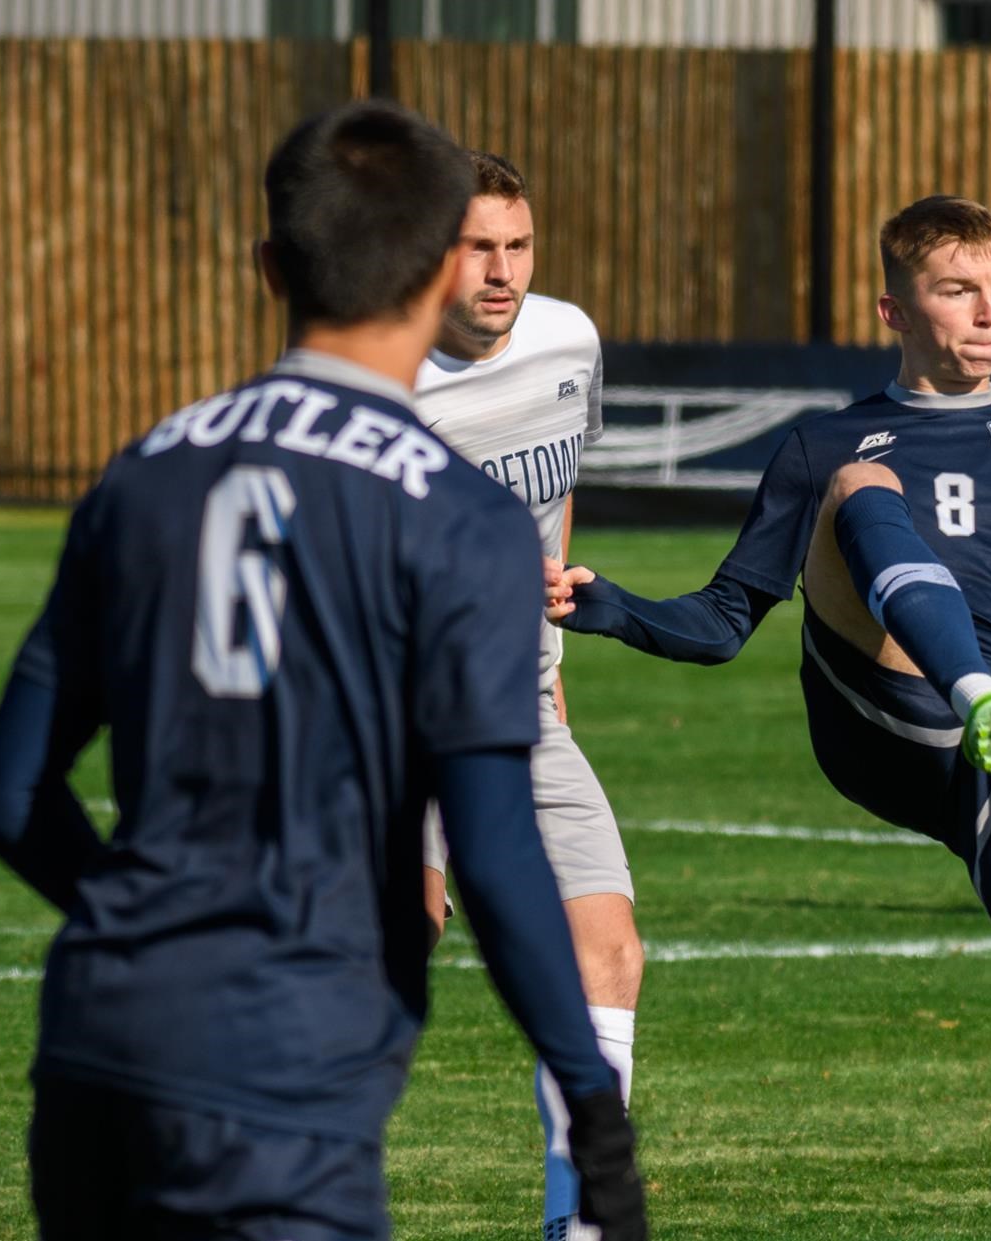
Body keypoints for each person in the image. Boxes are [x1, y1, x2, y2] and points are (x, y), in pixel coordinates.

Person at [0, 100, 644, 1241]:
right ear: (439, 272)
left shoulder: (144, 471)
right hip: (287, 1053)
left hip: (98, 1037)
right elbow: (494, 854)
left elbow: (8, 792)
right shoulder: (460, 516)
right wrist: (593, 1107)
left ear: (268, 267)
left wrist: (138, 926)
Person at [549, 194, 991, 1240]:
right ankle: (974, 690)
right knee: (861, 481)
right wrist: (611, 605)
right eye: (958, 290)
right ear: (894, 308)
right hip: (877, 707)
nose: (989, 311)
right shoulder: (823, 443)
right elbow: (724, 620)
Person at [410, 149, 631, 1241]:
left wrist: (551, 659)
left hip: (521, 707)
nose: (502, 271)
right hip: (396, 719)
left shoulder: (569, 338)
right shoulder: (384, 384)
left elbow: (559, 486)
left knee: (608, 950)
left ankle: (577, 1225)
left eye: (519, 245)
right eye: (478, 248)